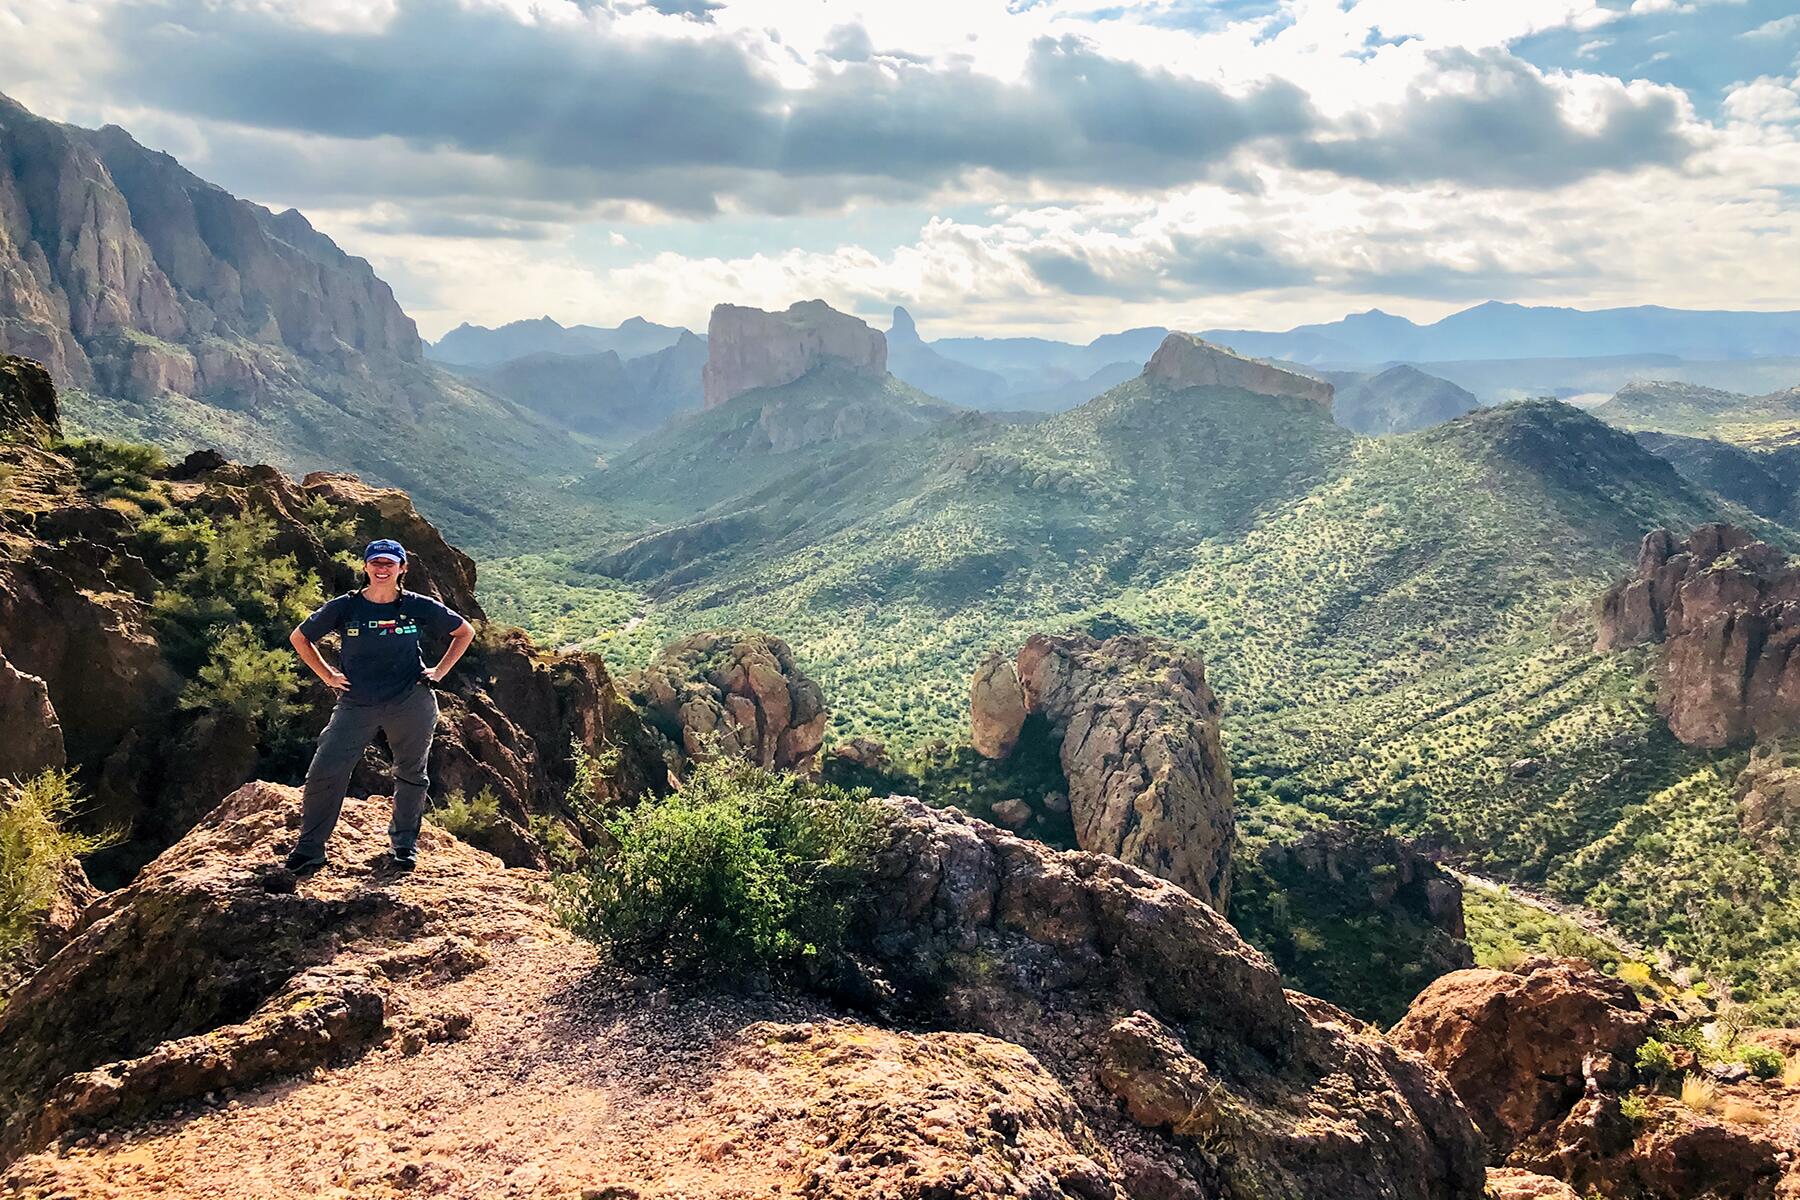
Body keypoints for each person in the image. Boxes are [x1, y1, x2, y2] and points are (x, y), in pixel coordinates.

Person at [284, 538, 475, 872]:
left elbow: (464, 632)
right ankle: (310, 849)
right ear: (366, 567)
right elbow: (300, 637)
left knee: (411, 774)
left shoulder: (417, 605)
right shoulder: (346, 607)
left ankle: (404, 846)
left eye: (389, 563)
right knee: (325, 771)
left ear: (402, 568)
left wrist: (439, 672)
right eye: (376, 562)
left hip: (410, 699)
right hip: (357, 702)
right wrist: (327, 675)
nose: (382, 569)